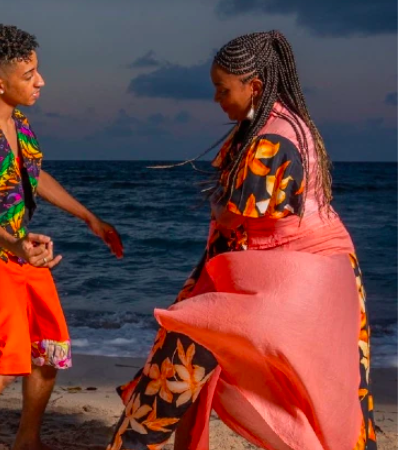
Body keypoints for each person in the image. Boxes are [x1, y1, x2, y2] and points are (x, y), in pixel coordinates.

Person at [109, 30, 375, 450]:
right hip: (325, 280)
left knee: (177, 364)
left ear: (255, 87)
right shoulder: (285, 123)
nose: (216, 99)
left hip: (279, 282)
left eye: (222, 89)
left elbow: (238, 223)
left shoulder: (271, 139)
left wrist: (204, 287)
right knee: (337, 398)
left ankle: (131, 444)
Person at [0, 24, 124, 450]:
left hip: (19, 249)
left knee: (49, 346)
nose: (41, 81)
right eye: (30, 74)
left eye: (38, 70)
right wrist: (15, 244)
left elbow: (33, 176)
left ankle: (28, 441)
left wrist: (89, 217)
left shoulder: (17, 121)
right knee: (8, 356)